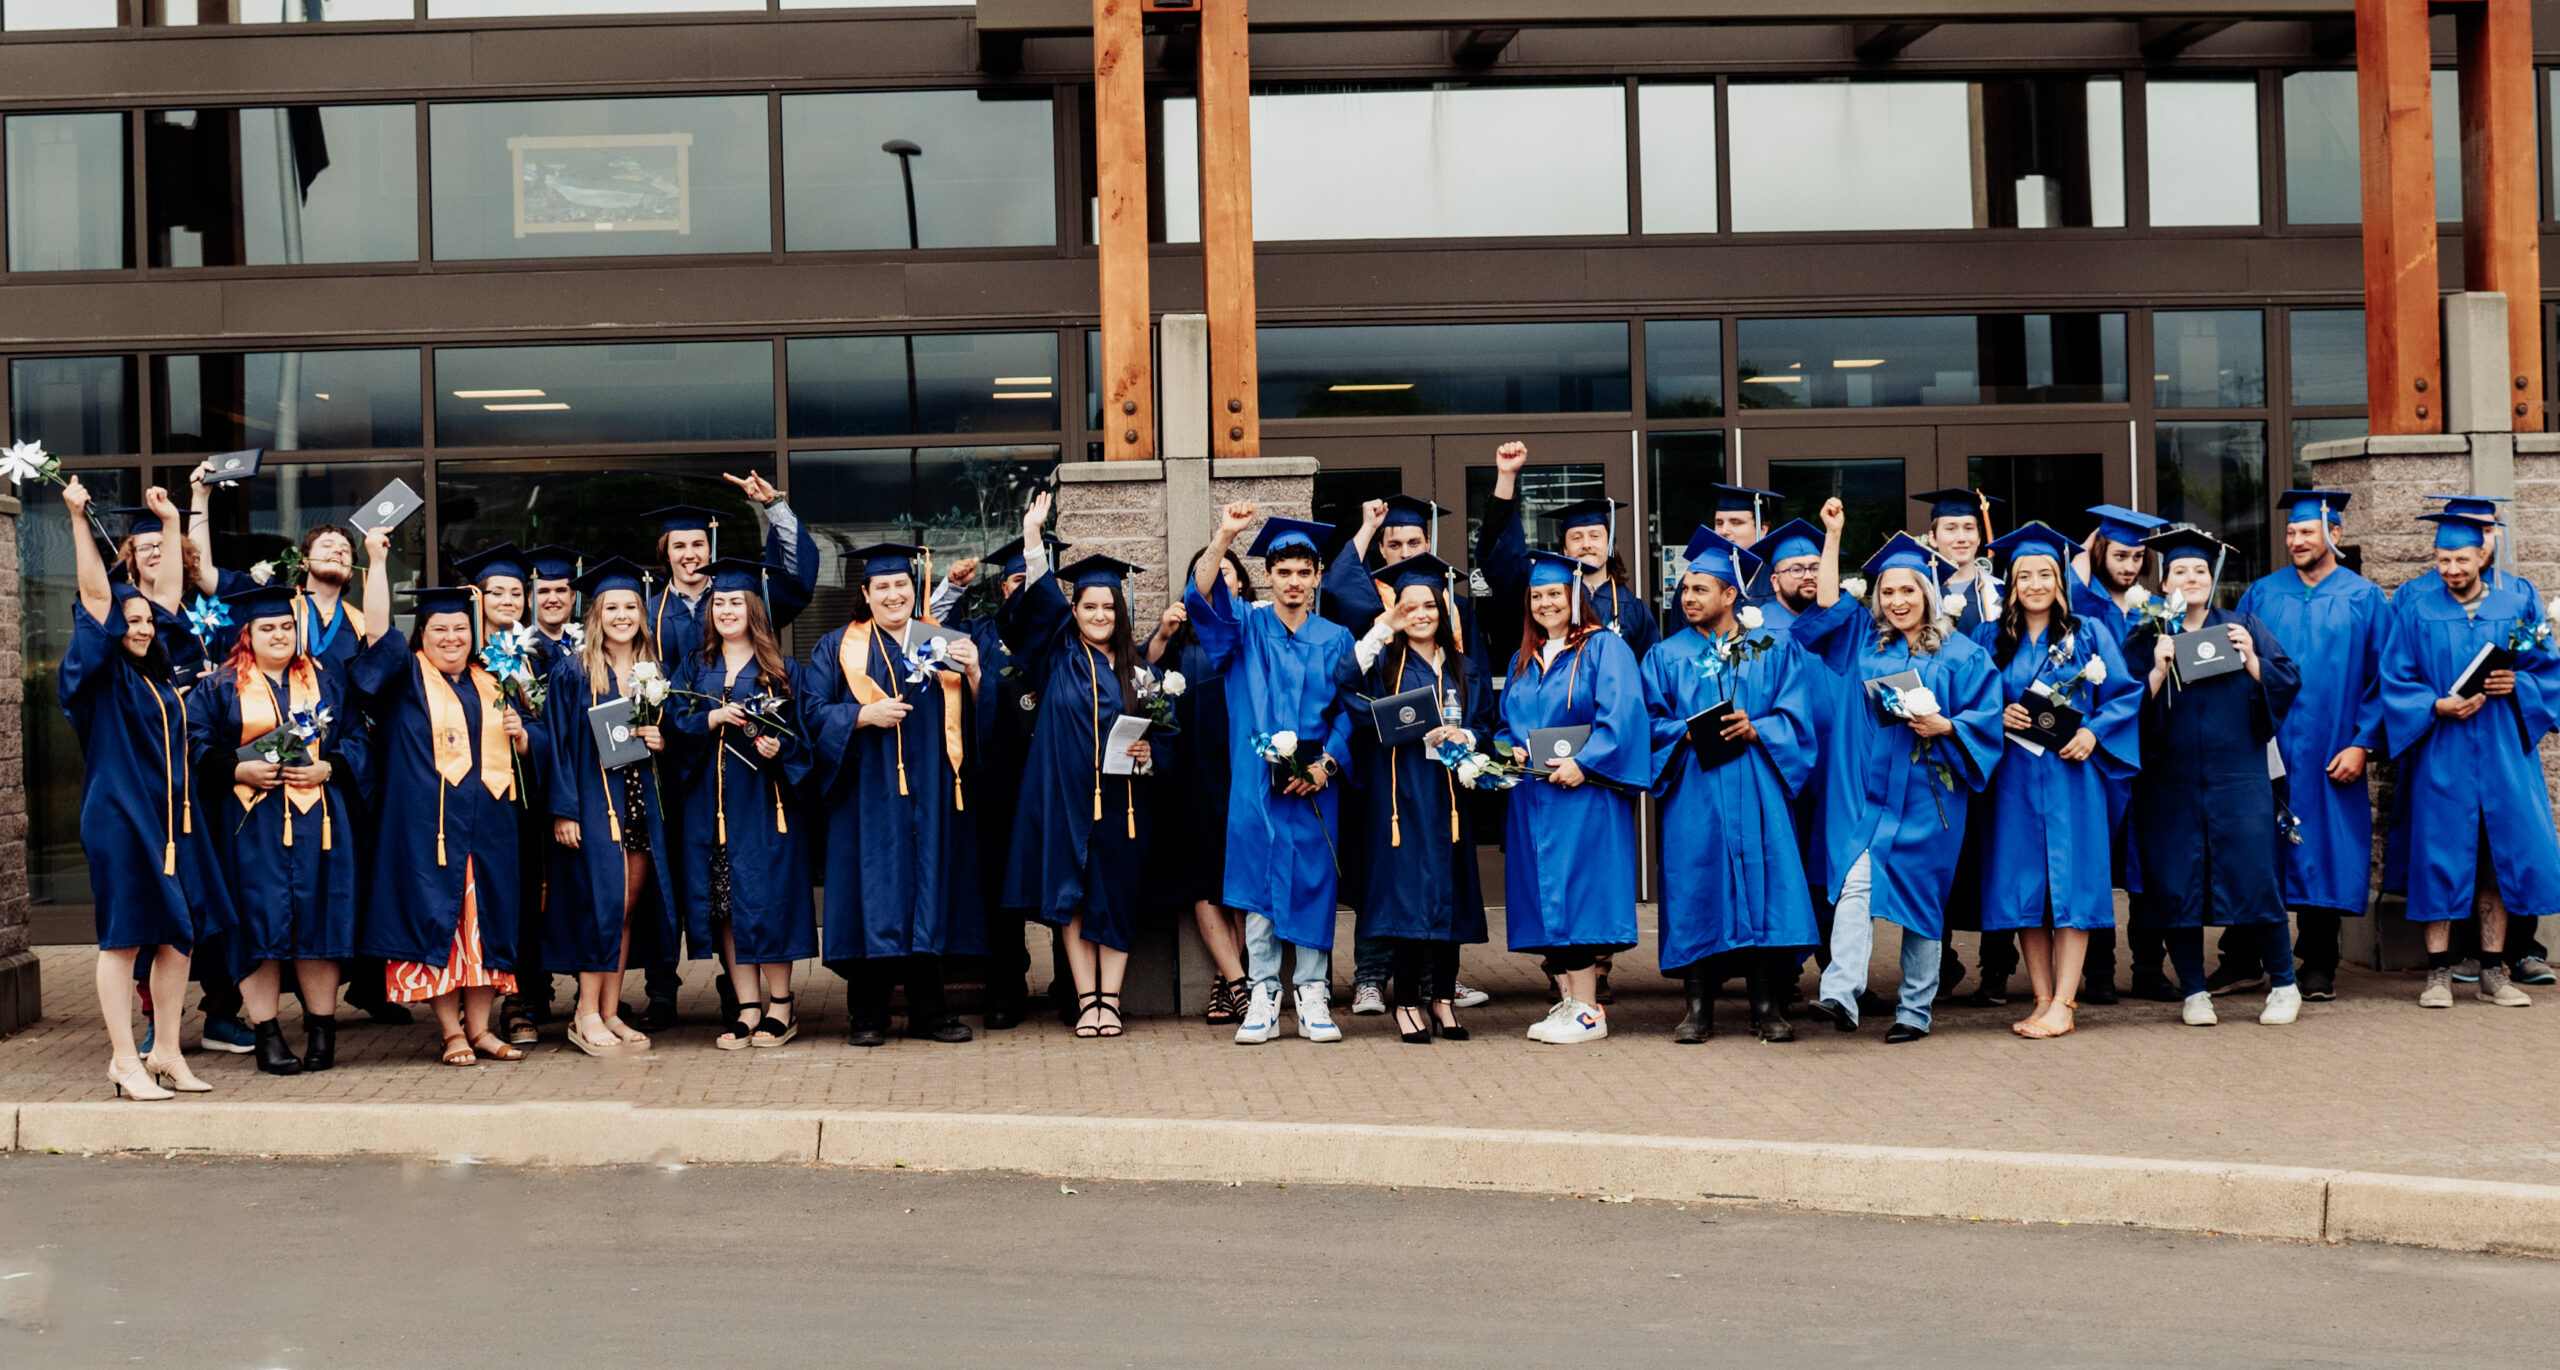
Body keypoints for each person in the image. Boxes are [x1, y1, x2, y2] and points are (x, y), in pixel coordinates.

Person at [1793, 503, 2004, 1043]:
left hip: (1929, 797)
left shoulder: (1964, 653)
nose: (1897, 601)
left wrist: (1947, 726)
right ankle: (1841, 992)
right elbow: (1824, 606)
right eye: (1887, 592)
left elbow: (1986, 721)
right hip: (1866, 797)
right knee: (1853, 884)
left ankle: (1915, 1010)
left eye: (1907, 591)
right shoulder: (1865, 640)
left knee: (1921, 904)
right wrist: (1833, 536)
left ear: (1927, 593)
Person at [61, 479, 228, 1099]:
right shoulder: (96, 677)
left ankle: (165, 1050)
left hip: (172, 822)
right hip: (121, 818)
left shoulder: (158, 680)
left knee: (177, 935)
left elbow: (166, 594)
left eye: (144, 623)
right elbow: (97, 592)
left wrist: (172, 522)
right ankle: (124, 1059)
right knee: (126, 937)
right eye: (127, 621)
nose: (139, 627)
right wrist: (78, 519)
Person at [350, 528, 539, 1066]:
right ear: (423, 635)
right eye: (440, 629)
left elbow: (533, 738)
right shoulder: (404, 677)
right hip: (425, 830)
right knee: (442, 923)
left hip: (489, 827)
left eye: (460, 627)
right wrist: (377, 563)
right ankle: (450, 1031)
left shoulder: (492, 678)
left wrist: (523, 735)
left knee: (487, 927)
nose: (452, 637)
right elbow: (379, 632)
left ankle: (480, 1029)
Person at [638, 476, 818, 1031]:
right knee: (694, 885)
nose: (690, 554)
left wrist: (775, 508)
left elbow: (799, 580)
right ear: (665, 553)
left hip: (748, 788)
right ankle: (666, 989)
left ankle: (762, 1004)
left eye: (697, 544)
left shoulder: (771, 641)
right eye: (678, 546)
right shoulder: (647, 609)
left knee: (751, 885)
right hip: (677, 767)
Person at [1186, 504, 1358, 1046]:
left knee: (1312, 881)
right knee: (1258, 887)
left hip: (1314, 784)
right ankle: (1263, 993)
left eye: (1303, 572)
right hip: (1257, 786)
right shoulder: (1245, 627)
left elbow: (1352, 711)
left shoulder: (1335, 638)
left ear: (1317, 577)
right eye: (1283, 571)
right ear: (1267, 576)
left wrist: (1327, 763)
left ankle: (1311, 993)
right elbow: (1202, 597)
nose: (1293, 581)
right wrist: (1225, 534)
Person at [2378, 508, 2560, 1010]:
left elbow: (2546, 672)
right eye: (2442, 559)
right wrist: (2433, 704)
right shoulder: (2415, 608)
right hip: (2444, 751)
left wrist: (2516, 682)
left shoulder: (2516, 604)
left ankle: (2494, 971)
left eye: (2460, 558)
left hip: (2503, 751)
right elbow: (2394, 677)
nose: (2451, 569)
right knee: (2438, 855)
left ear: (2481, 553)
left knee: (2496, 861)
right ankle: (2437, 973)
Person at [2122, 525, 2304, 1028]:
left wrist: (2252, 660)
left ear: (2212, 577)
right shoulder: (2145, 637)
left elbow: (2288, 679)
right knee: (2175, 883)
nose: (2191, 577)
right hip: (2170, 782)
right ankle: (2194, 991)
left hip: (2238, 776)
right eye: (2179, 570)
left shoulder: (2242, 624)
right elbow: (2120, 711)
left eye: (2200, 569)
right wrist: (2156, 673)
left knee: (2255, 877)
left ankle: (2285, 984)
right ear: (2164, 583)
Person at [1643, 528, 1819, 1043]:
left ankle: (1767, 1007)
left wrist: (1758, 727)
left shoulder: (1770, 647)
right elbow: (1649, 724)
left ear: (1730, 595)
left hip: (1757, 785)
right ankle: (1698, 1009)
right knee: (1697, 887)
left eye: (1701, 589)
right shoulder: (1665, 655)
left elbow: (1798, 715)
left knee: (1765, 888)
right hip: (1694, 792)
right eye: (1684, 590)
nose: (1688, 598)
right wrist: (1689, 732)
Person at [807, 541, 985, 1046]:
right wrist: (862, 715)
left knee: (927, 890)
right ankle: (868, 1014)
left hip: (929, 792)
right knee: (873, 893)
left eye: (901, 585)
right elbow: (814, 712)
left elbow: (977, 717)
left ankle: (932, 1012)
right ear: (865, 594)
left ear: (914, 589)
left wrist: (973, 673)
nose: (892, 595)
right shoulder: (839, 646)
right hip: (867, 796)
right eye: (881, 587)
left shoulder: (940, 641)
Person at [186, 584, 368, 1075]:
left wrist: (329, 769)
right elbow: (195, 744)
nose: (280, 635)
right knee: (256, 922)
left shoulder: (327, 681)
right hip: (251, 824)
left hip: (320, 821)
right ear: (247, 634)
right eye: (267, 628)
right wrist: (236, 770)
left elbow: (357, 737)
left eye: (287, 626)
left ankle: (322, 1031)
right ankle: (267, 1033)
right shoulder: (220, 686)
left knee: (320, 920)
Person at [1325, 494, 1494, 1019]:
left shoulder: (1463, 666)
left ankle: (1437, 993)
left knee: (1445, 884)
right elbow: (1349, 688)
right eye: (1409, 607)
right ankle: (1389, 990)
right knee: (1395, 886)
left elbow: (1486, 721)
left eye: (1428, 606)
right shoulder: (1384, 659)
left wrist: (1468, 742)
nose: (1420, 614)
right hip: (1397, 793)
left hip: (1445, 796)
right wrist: (1384, 627)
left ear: (1444, 608)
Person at [1971, 523, 2140, 1040]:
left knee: (2073, 885)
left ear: (2061, 581)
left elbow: (2124, 694)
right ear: (2012, 583)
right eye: (2025, 575)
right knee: (2025, 888)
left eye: (2046, 573)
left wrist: (2094, 732)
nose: (2036, 584)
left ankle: (2065, 1002)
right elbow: (1969, 700)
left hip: (2072, 775)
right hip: (2015, 779)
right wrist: (1994, 717)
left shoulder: (2088, 633)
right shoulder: (1989, 639)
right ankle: (2042, 997)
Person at [2218, 491, 2389, 1003]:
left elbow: (2387, 679)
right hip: (2266, 748)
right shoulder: (2263, 594)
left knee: (2325, 854)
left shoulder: (2365, 598)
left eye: (2306, 533)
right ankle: (2242, 961)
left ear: (2333, 536)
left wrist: (2362, 744)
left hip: (2331, 751)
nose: (2295, 541)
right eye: (2290, 533)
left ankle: (2318, 963)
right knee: (2255, 850)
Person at [1002, 522, 1164, 1039]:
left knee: (1113, 895)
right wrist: (1032, 542)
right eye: (1089, 606)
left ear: (1121, 613)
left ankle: (1110, 1001)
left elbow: (1169, 736)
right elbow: (1038, 608)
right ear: (1074, 612)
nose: (1099, 615)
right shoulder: (1057, 655)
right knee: (1070, 897)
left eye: (1108, 607)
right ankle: (1085, 997)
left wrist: (1151, 752)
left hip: (1123, 802)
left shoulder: (1139, 672)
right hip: (1065, 798)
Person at [1497, 549, 1650, 1044]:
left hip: (1584, 798)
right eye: (1537, 596)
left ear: (1574, 596)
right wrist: (1509, 752)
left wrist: (1584, 763)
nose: (1545, 603)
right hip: (1533, 800)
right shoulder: (1523, 660)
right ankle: (1568, 1004)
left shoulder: (1605, 647)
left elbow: (1623, 715)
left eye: (1554, 595)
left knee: (1578, 895)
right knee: (1545, 899)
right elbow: (1504, 725)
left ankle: (1588, 1010)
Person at [541, 557, 680, 1056]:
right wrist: (564, 810)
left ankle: (611, 1010)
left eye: (630, 607)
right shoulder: (574, 672)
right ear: (595, 615)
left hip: (640, 803)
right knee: (600, 908)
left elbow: (671, 738)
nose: (622, 615)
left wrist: (660, 740)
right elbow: (556, 744)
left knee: (623, 911)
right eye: (611, 607)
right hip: (595, 804)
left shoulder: (653, 672)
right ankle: (585, 1015)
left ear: (642, 614)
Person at [930, 525, 1066, 1031]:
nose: (1019, 592)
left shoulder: (1060, 633)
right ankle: (1007, 987)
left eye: (1028, 582)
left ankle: (1072, 985)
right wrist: (953, 588)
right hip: (994, 781)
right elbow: (922, 637)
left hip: (1050, 778)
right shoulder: (980, 632)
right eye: (1012, 584)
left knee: (1058, 879)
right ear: (1000, 589)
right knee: (999, 890)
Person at [1149, 543, 1255, 1026]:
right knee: (1204, 880)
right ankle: (1238, 984)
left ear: (1240, 583)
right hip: (1191, 775)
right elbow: (1139, 678)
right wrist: (1163, 633)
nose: (1215, 580)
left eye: (1224, 572)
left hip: (1241, 770)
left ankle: (1224, 981)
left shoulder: (1251, 629)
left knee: (1238, 882)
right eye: (1204, 575)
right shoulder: (1179, 638)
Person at [2068, 503, 2168, 1005]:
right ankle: (2099, 974)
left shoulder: (2155, 610)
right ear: (2101, 551)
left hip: (2151, 748)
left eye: (2137, 557)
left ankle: (2150, 968)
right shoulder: (2083, 609)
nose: (2129, 566)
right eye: (2120, 554)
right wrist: (2081, 558)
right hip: (2103, 751)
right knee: (2099, 865)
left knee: (2149, 868)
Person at [501, 542, 583, 1044]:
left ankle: (589, 991)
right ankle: (531, 990)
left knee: (575, 887)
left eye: (561, 590)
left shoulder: (584, 644)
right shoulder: (515, 652)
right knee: (532, 889)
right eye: (543, 591)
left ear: (574, 597)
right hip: (529, 787)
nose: (552, 598)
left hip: (583, 779)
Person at [1478, 441, 1660, 662]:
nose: (1586, 544)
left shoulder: (1634, 610)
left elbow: (1649, 675)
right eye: (1576, 537)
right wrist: (1506, 477)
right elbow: (1503, 562)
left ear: (1610, 544)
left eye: (1595, 535)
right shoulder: (1545, 598)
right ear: (1564, 547)